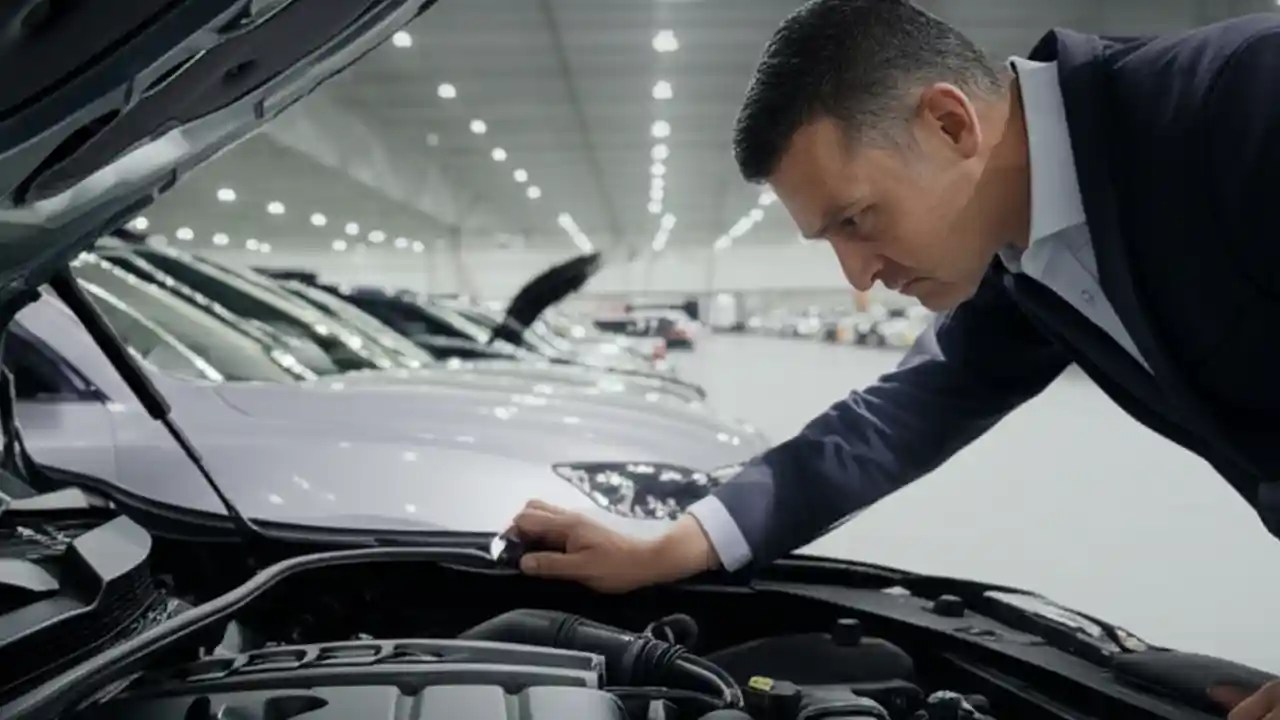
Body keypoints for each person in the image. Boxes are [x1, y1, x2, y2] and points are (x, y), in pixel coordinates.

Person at [509, 1, 1280, 716]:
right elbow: (900, 415)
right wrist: (672, 545)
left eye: (857, 219)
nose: (858, 275)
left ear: (949, 124)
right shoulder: (1025, 262)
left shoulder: (1243, 96)